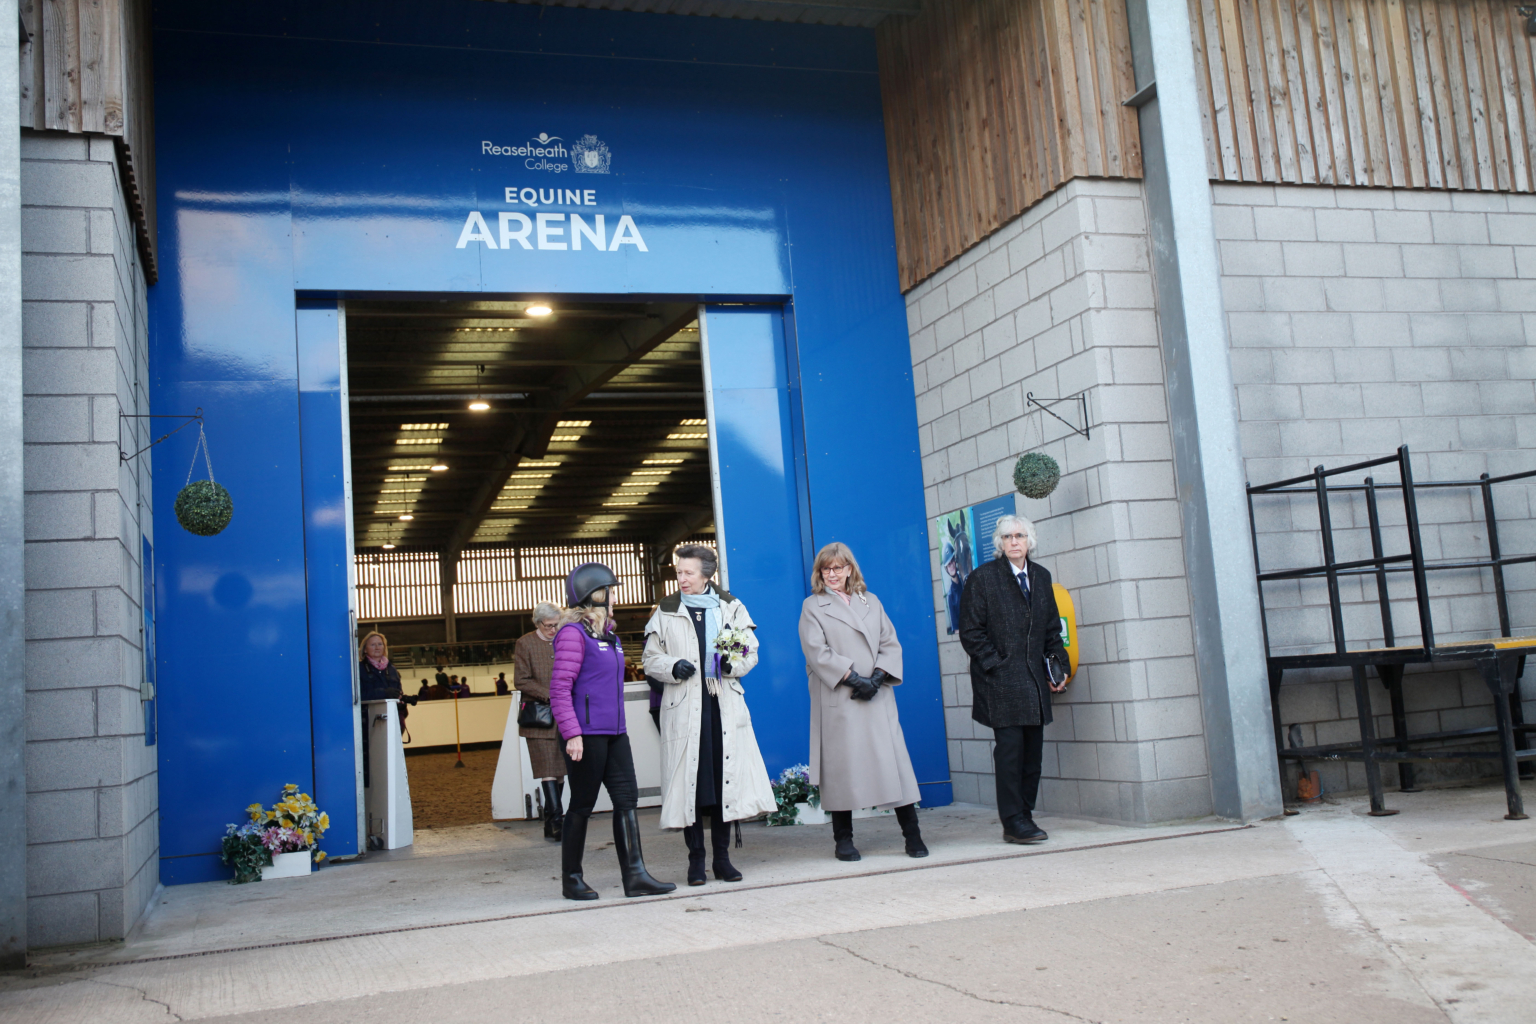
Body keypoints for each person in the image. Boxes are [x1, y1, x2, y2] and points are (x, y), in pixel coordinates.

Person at [643, 543, 776, 886]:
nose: (682, 579)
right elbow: (650, 658)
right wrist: (673, 665)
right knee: (692, 787)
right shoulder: (667, 610)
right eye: (679, 573)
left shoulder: (730, 608)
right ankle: (695, 862)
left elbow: (748, 650)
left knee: (722, 783)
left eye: (688, 573)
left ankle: (722, 859)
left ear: (706, 574)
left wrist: (732, 664)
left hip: (722, 706)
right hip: (685, 709)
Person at [550, 563, 676, 901]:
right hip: (585, 734)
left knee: (627, 800)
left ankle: (635, 876)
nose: (614, 597)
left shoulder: (610, 635)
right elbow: (560, 688)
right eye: (610, 591)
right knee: (582, 804)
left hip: (614, 732)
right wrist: (572, 733)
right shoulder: (572, 634)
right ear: (595, 595)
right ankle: (571, 879)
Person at [798, 542, 926, 861]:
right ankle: (844, 840)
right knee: (842, 770)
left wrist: (876, 680)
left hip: (876, 695)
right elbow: (817, 653)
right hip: (841, 696)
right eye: (825, 569)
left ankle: (913, 835)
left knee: (894, 765)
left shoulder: (872, 602)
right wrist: (855, 680)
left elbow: (890, 643)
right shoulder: (812, 607)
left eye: (838, 568)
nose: (832, 574)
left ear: (850, 569)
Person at [958, 514, 1069, 845]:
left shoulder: (1041, 576)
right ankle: (1013, 821)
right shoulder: (983, 578)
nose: (1014, 542)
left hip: (1034, 681)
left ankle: (1025, 814)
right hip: (1000, 682)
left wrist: (1056, 669)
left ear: (1029, 541)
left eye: (1020, 536)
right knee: (1010, 752)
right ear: (1000, 543)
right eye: (1007, 537)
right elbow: (971, 632)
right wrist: (997, 665)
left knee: (1032, 752)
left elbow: (1052, 630)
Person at [513, 602, 567, 841]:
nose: (554, 630)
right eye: (549, 626)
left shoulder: (564, 639)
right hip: (540, 717)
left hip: (565, 715)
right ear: (537, 623)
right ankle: (557, 821)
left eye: (557, 625)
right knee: (547, 769)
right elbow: (521, 680)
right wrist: (549, 694)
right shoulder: (525, 643)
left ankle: (550, 822)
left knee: (561, 771)